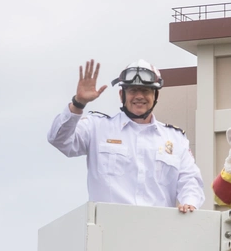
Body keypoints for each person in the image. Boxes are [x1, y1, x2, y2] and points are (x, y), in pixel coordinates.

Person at [48, 59, 204, 212]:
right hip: (108, 231)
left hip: (158, 232)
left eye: (145, 90)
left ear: (156, 95)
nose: (139, 96)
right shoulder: (97, 127)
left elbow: (190, 179)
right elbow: (59, 139)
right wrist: (78, 103)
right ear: (121, 94)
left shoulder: (175, 139)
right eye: (133, 90)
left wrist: (189, 203)